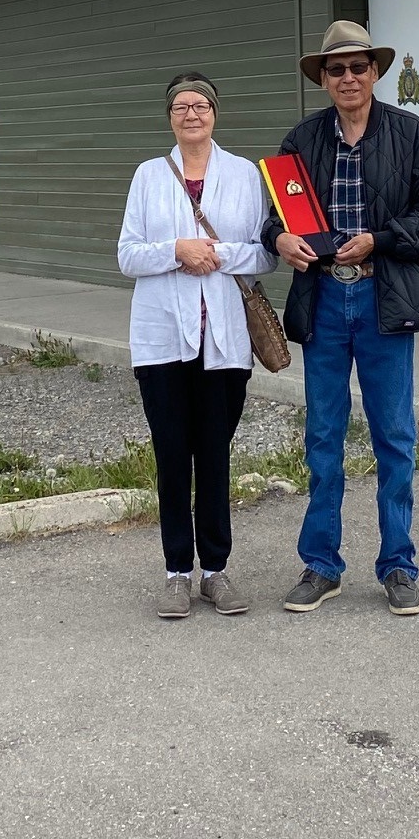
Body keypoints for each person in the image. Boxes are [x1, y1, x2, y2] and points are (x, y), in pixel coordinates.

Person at [264, 20, 419, 617]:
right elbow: (270, 218)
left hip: (383, 301)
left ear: (375, 72)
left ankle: (398, 565)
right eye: (336, 69)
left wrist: (380, 239)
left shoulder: (414, 136)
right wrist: (281, 241)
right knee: (323, 436)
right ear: (323, 78)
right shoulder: (300, 142)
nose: (348, 77)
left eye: (358, 66)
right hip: (323, 301)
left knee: (394, 436)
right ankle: (322, 565)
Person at [117, 72, 275, 620]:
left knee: (213, 452)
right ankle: (176, 573)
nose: (192, 113)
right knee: (171, 453)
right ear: (170, 117)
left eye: (201, 104)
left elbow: (265, 254)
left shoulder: (243, 175)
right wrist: (177, 249)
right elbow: (127, 255)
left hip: (223, 340)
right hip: (162, 340)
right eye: (181, 106)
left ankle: (217, 571)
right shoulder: (147, 176)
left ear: (215, 114)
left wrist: (217, 253)